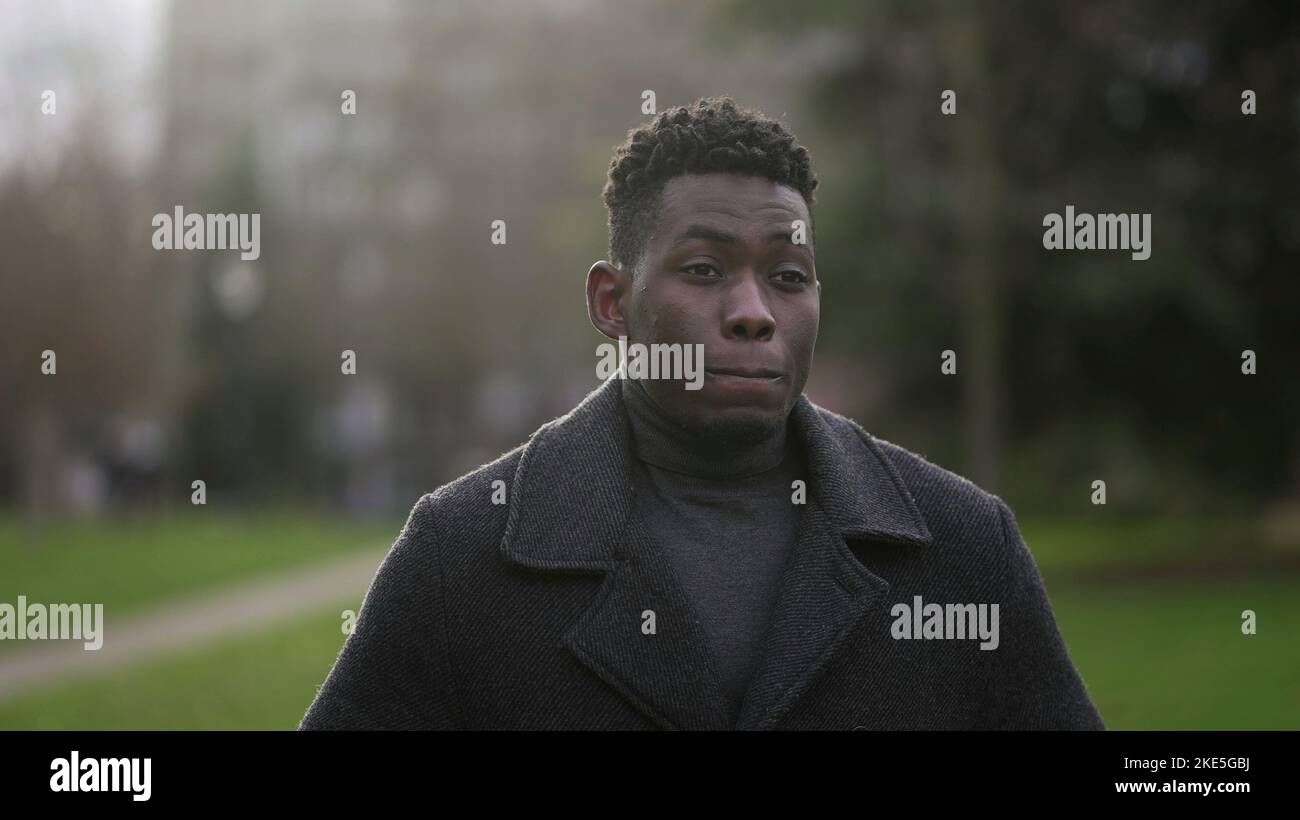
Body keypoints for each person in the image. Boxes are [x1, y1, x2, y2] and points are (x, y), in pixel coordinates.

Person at [299, 96, 1104, 730]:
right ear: (613, 302)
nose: (754, 312)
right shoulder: (464, 555)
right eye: (705, 268)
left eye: (789, 276)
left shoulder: (962, 548)